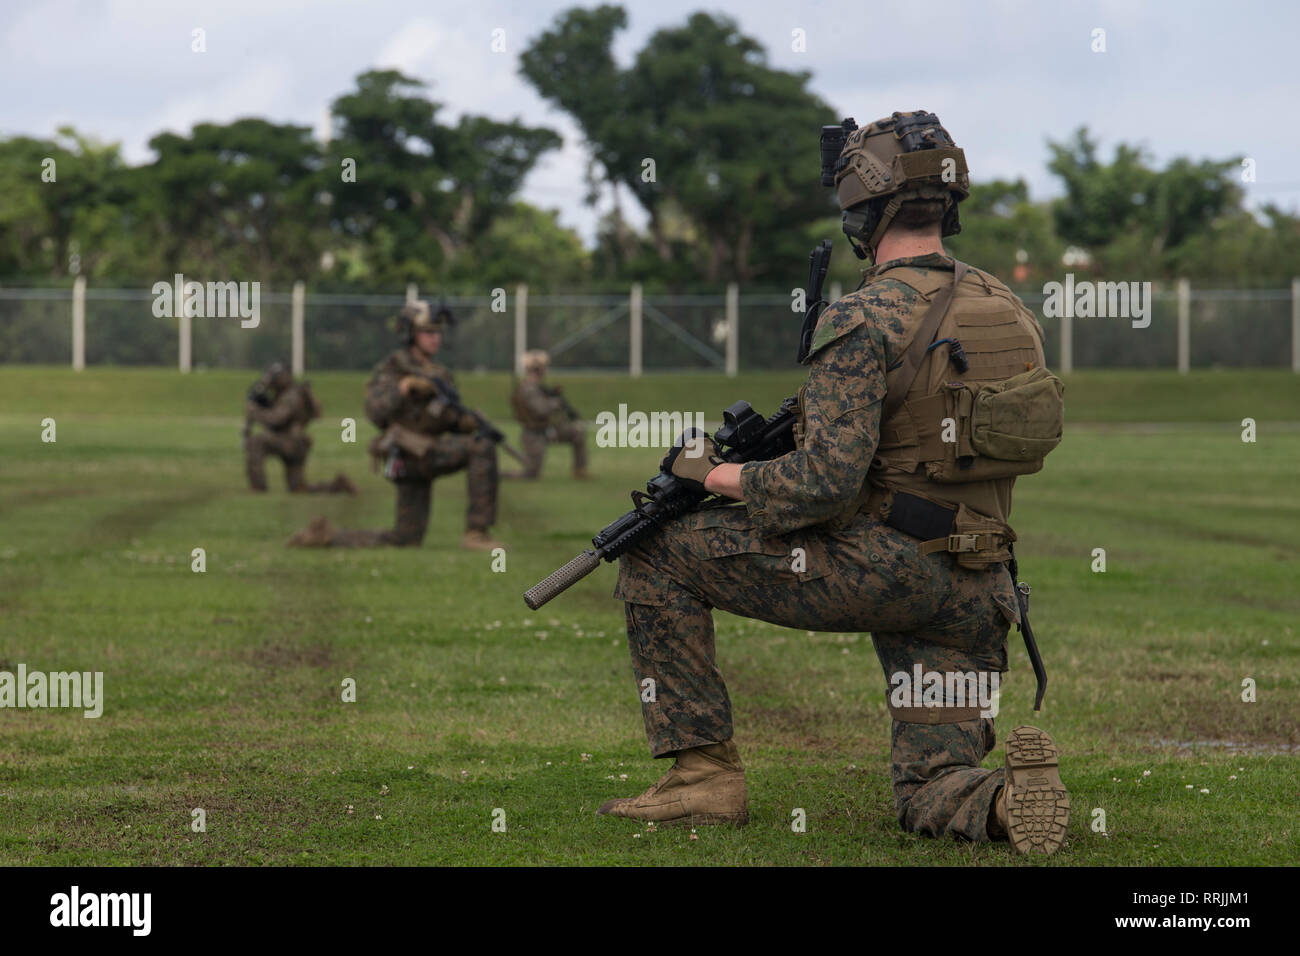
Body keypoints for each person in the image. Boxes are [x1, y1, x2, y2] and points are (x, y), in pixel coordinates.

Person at [597, 111, 1069, 855]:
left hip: (888, 569)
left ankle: (703, 779)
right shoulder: (1008, 309)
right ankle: (1005, 803)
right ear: (949, 202)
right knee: (928, 782)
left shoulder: (862, 316)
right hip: (980, 584)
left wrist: (710, 472)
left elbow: (823, 485)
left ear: (860, 212)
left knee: (657, 553)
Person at [288, 302, 503, 551]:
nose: (435, 338)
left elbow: (443, 419)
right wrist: (403, 388)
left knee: (406, 538)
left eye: (438, 333)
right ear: (411, 334)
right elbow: (375, 412)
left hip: (430, 450)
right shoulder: (393, 368)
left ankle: (327, 536)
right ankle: (476, 534)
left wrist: (463, 422)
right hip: (407, 454)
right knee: (480, 450)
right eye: (428, 332)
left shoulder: (441, 374)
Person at [243, 361, 356, 495]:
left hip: (290, 442)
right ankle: (337, 486)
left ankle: (258, 488)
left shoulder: (291, 395)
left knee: (257, 441)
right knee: (299, 489)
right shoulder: (288, 393)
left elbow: (276, 420)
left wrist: (255, 411)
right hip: (295, 442)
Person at [508, 350, 590, 479]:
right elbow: (541, 409)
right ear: (539, 370)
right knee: (530, 474)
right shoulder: (529, 388)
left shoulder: (536, 386)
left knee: (577, 433)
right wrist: (557, 403)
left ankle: (580, 471)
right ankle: (494, 475)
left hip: (546, 429)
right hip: (533, 434)